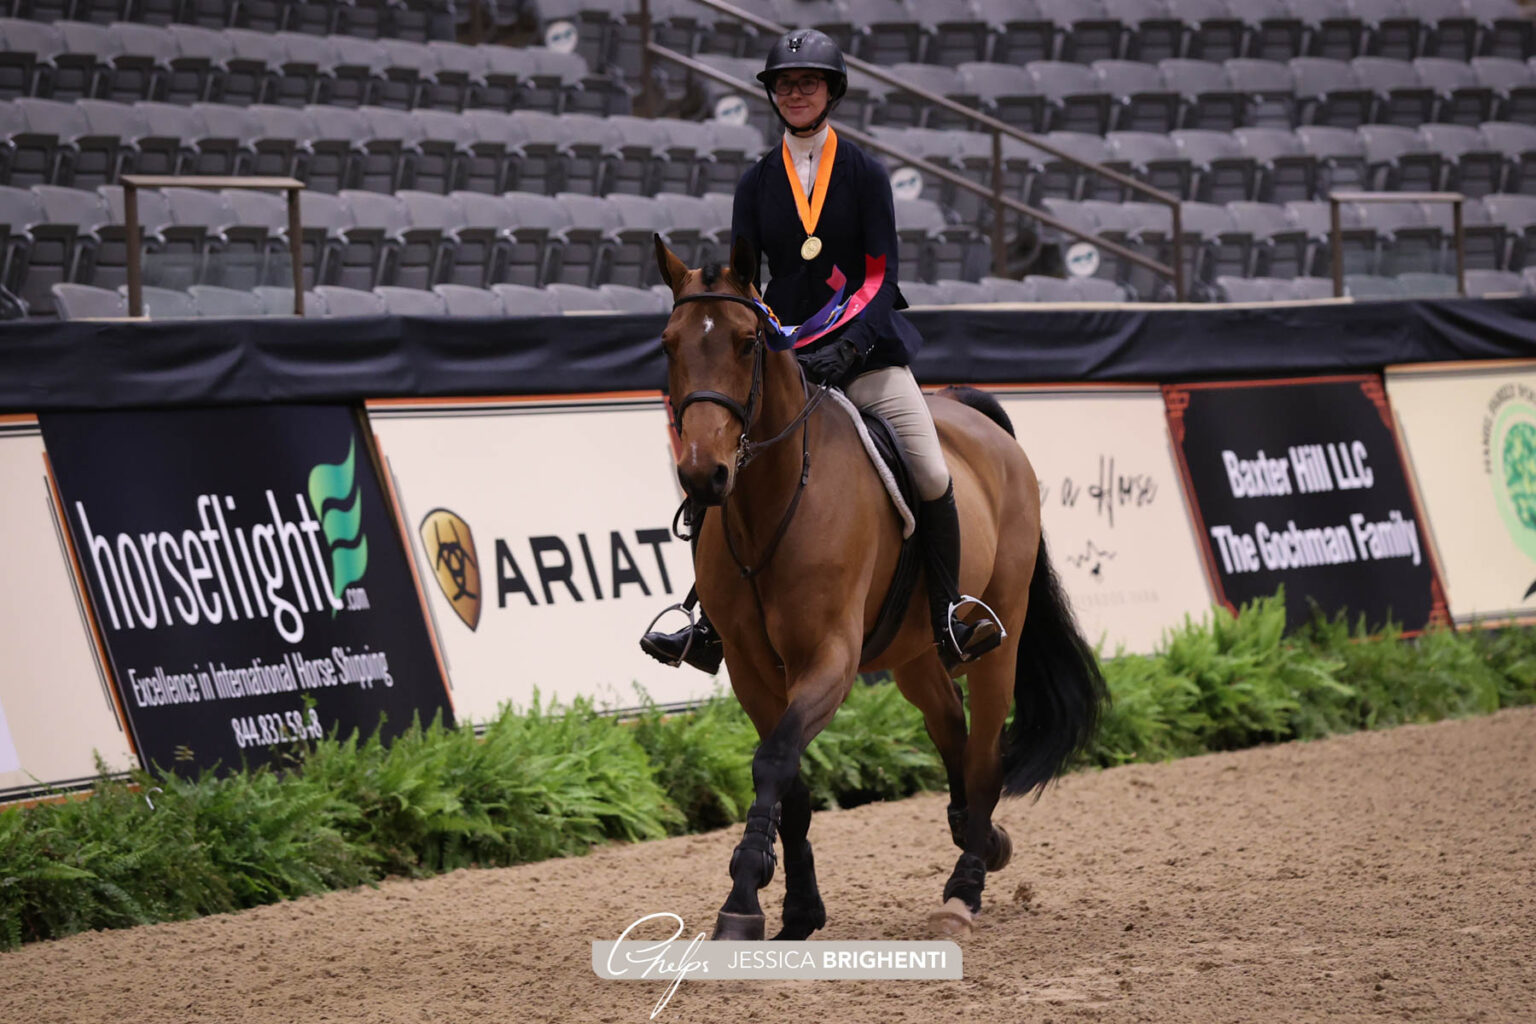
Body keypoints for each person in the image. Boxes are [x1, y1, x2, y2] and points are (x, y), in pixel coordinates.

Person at [642, 28, 1001, 673]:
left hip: (869, 355)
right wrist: (780, 343)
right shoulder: (755, 182)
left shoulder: (865, 174)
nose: (796, 93)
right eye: (785, 84)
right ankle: (705, 619)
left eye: (808, 83)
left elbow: (878, 276)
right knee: (716, 465)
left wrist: (851, 344)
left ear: (830, 91)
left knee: (929, 469)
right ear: (773, 97)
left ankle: (949, 612)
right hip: (787, 359)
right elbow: (747, 283)